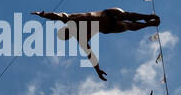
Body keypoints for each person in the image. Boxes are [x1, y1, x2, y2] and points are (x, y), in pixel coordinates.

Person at [32, 8, 160, 82]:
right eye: (68, 34)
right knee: (127, 26)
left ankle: (147, 17)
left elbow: (57, 16)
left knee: (124, 14)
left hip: (105, 14)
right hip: (106, 27)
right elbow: (90, 55)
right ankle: (148, 24)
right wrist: (97, 70)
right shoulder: (81, 38)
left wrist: (43, 15)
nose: (69, 31)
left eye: (66, 30)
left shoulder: (71, 18)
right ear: (69, 36)